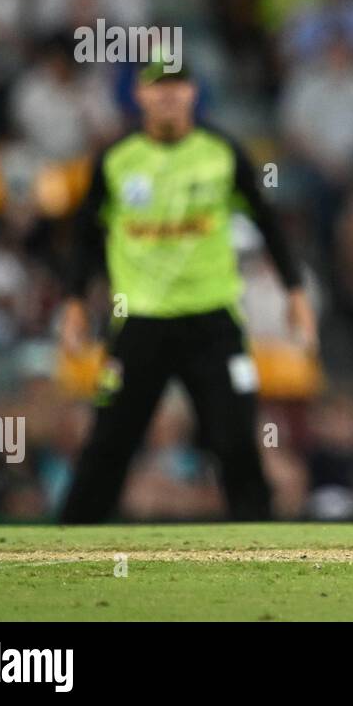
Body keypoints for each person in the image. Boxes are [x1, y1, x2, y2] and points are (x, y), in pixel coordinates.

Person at [59, 52, 316, 522]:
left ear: (193, 94)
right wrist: (75, 302)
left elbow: (268, 222)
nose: (169, 97)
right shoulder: (117, 161)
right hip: (141, 320)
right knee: (110, 439)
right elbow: (86, 236)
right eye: (159, 88)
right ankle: (66, 544)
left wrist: (295, 295)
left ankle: (261, 543)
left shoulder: (222, 153)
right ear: (140, 96)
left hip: (212, 319)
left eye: (178, 87)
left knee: (234, 439)